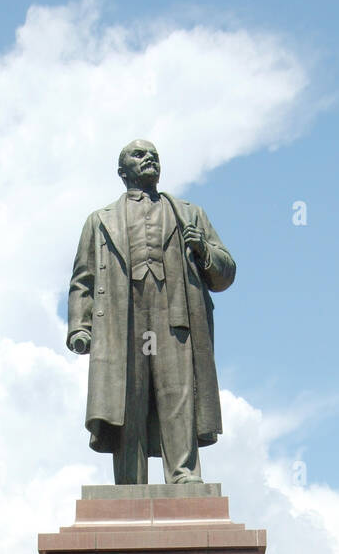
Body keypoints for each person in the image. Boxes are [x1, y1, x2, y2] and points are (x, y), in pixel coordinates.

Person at [68, 139, 236, 484]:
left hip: (174, 318)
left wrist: (203, 249)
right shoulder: (99, 221)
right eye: (140, 155)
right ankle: (130, 482)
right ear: (122, 171)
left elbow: (226, 272)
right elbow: (82, 279)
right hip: (122, 320)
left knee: (178, 394)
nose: (150, 160)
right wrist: (79, 327)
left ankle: (183, 474)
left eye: (155, 156)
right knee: (128, 398)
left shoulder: (189, 213)